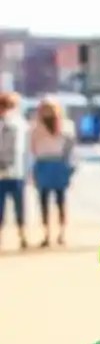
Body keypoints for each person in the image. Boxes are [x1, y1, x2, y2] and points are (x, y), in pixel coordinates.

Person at [29, 96, 76, 247]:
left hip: (58, 163)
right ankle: (47, 233)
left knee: (60, 200)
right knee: (44, 200)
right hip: (44, 163)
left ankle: (61, 233)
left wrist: (70, 166)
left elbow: (71, 148)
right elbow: (32, 148)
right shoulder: (36, 127)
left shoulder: (66, 126)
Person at [0, 92, 29, 249]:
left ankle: (22, 235)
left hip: (16, 172)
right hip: (6, 173)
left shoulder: (19, 123)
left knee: (19, 206)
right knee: (2, 207)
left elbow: (25, 150)